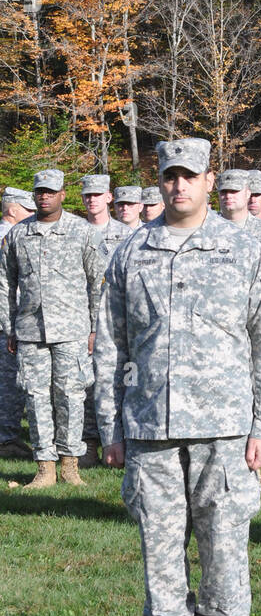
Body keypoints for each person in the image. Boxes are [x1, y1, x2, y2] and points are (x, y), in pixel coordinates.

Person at [93, 137, 261, 616]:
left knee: (224, 534)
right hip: (150, 424)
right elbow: (110, 345)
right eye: (169, 175)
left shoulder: (243, 251)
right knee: (158, 537)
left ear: (210, 181)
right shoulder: (132, 253)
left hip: (224, 424)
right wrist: (110, 426)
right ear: (159, 181)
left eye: (190, 175)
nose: (178, 185)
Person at [0, 169, 102, 489]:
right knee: (36, 398)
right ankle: (44, 466)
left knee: (71, 396)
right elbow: (5, 284)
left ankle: (70, 465)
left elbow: (97, 282)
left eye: (50, 191)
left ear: (62, 194)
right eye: (39, 191)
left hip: (72, 329)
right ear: (34, 195)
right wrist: (9, 326)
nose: (44, 196)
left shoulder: (81, 231)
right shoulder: (18, 235)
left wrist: (94, 327)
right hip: (30, 331)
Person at [80, 173, 129, 468]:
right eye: (87, 195)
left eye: (97, 195)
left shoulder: (127, 234)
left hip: (117, 320)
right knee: (86, 384)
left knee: (120, 381)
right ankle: (88, 444)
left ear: (108, 198)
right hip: (83, 320)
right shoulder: (75, 232)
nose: (92, 200)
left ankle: (120, 441)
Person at [0, 186, 37, 459]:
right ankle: (6, 439)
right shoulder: (9, 237)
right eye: (28, 209)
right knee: (10, 383)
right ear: (13, 210)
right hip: (8, 322)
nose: (32, 214)